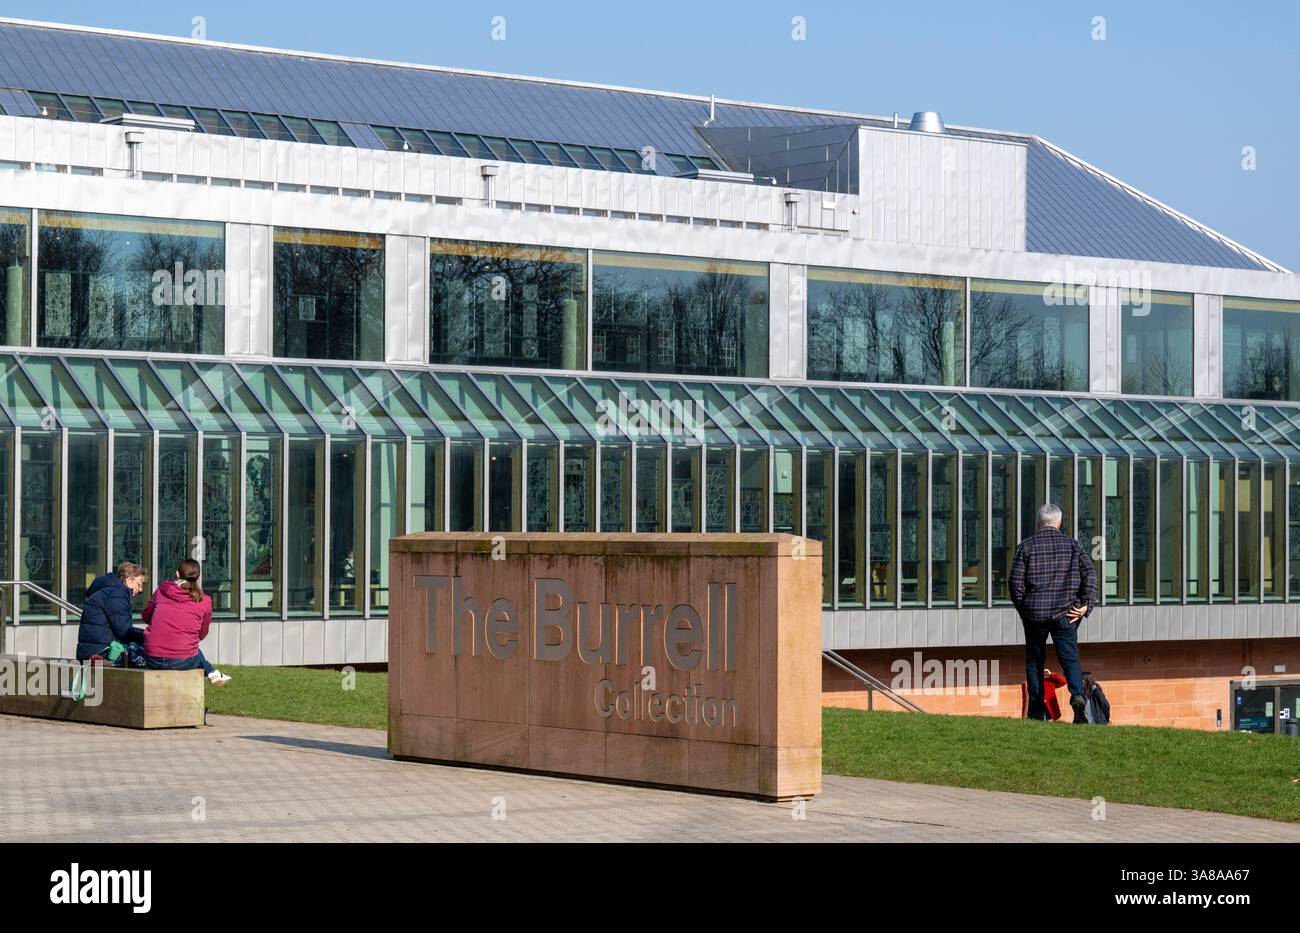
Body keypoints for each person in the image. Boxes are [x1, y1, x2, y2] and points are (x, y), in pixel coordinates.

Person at [1009, 503, 1096, 724]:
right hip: (1066, 613)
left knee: (1035, 661)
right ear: (1059, 522)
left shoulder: (1026, 547)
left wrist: (1024, 608)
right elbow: (1090, 574)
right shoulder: (1073, 546)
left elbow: (1015, 584)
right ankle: (1077, 695)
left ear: (1038, 523)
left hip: (1034, 614)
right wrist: (1086, 604)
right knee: (1070, 659)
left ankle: (1037, 711)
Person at [142, 559, 231, 686]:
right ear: (198, 576)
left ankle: (212, 672)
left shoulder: (161, 591)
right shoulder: (204, 600)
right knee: (192, 648)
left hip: (152, 657)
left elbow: (146, 616)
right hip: (182, 660)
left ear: (177, 574)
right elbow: (202, 633)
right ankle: (211, 672)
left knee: (190, 647)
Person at [76, 562, 148, 665]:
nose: (140, 589)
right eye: (139, 584)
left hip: (94, 651)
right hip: (101, 653)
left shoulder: (111, 591)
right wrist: (148, 636)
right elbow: (123, 630)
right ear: (129, 580)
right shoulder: (116, 594)